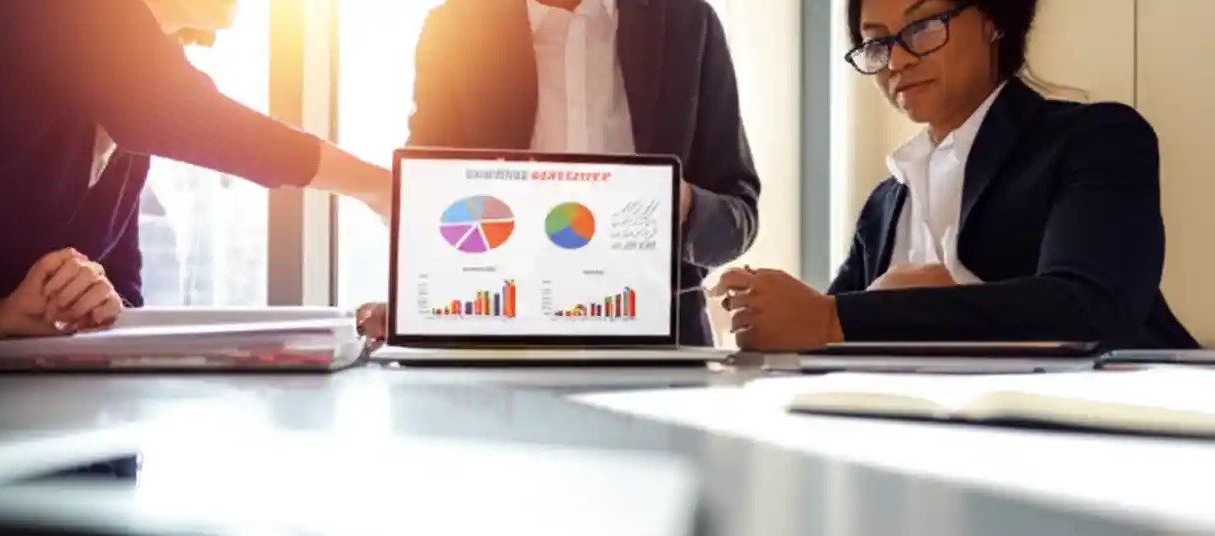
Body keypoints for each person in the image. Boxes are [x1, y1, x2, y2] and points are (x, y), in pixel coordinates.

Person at [711, 0, 1197, 351]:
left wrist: (841, 318)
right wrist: (770, 312)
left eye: (922, 26)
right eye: (876, 41)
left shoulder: (1095, 139)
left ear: (993, 19)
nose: (896, 60)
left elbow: (1090, 309)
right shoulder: (887, 201)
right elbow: (827, 329)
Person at [0, 0, 391, 340]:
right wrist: (378, 187)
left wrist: (96, 303)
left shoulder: (115, 115)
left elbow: (122, 290)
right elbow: (165, 109)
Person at [357, 0, 761, 347]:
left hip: (663, 354)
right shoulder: (456, 27)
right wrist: (420, 305)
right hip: (493, 349)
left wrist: (682, 204)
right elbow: (429, 202)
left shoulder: (688, 22)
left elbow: (738, 218)